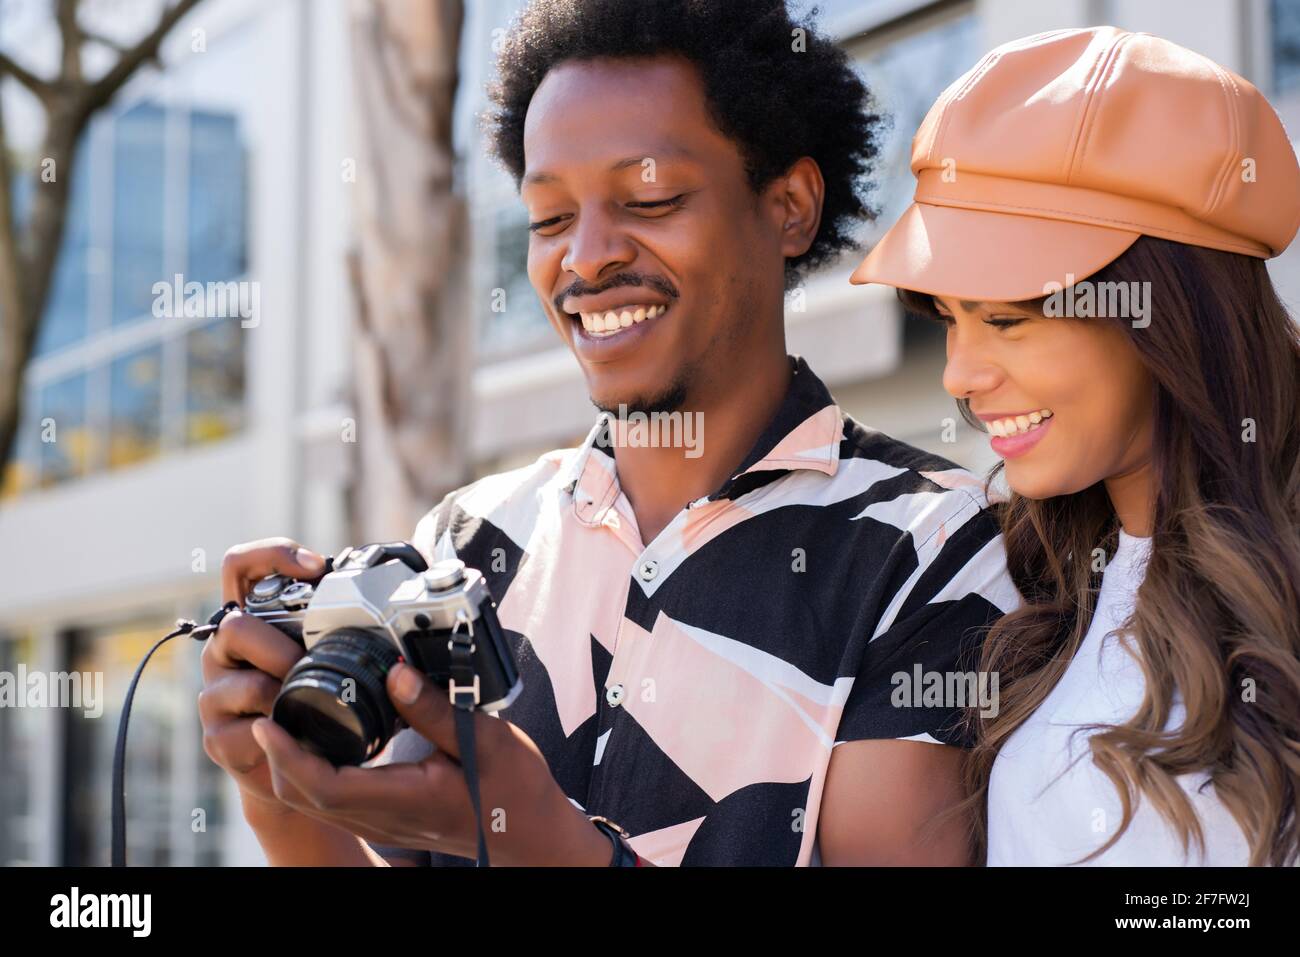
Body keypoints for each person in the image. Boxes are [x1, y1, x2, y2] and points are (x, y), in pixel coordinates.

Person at [198, 0, 1016, 867]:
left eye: (649, 197)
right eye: (548, 218)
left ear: (789, 206)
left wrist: (539, 837)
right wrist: (283, 796)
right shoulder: (464, 542)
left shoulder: (936, 549)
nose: (584, 257)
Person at [850, 26, 1300, 866]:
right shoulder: (1011, 583)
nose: (959, 374)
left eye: (1007, 320)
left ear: (1164, 310)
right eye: (949, 318)